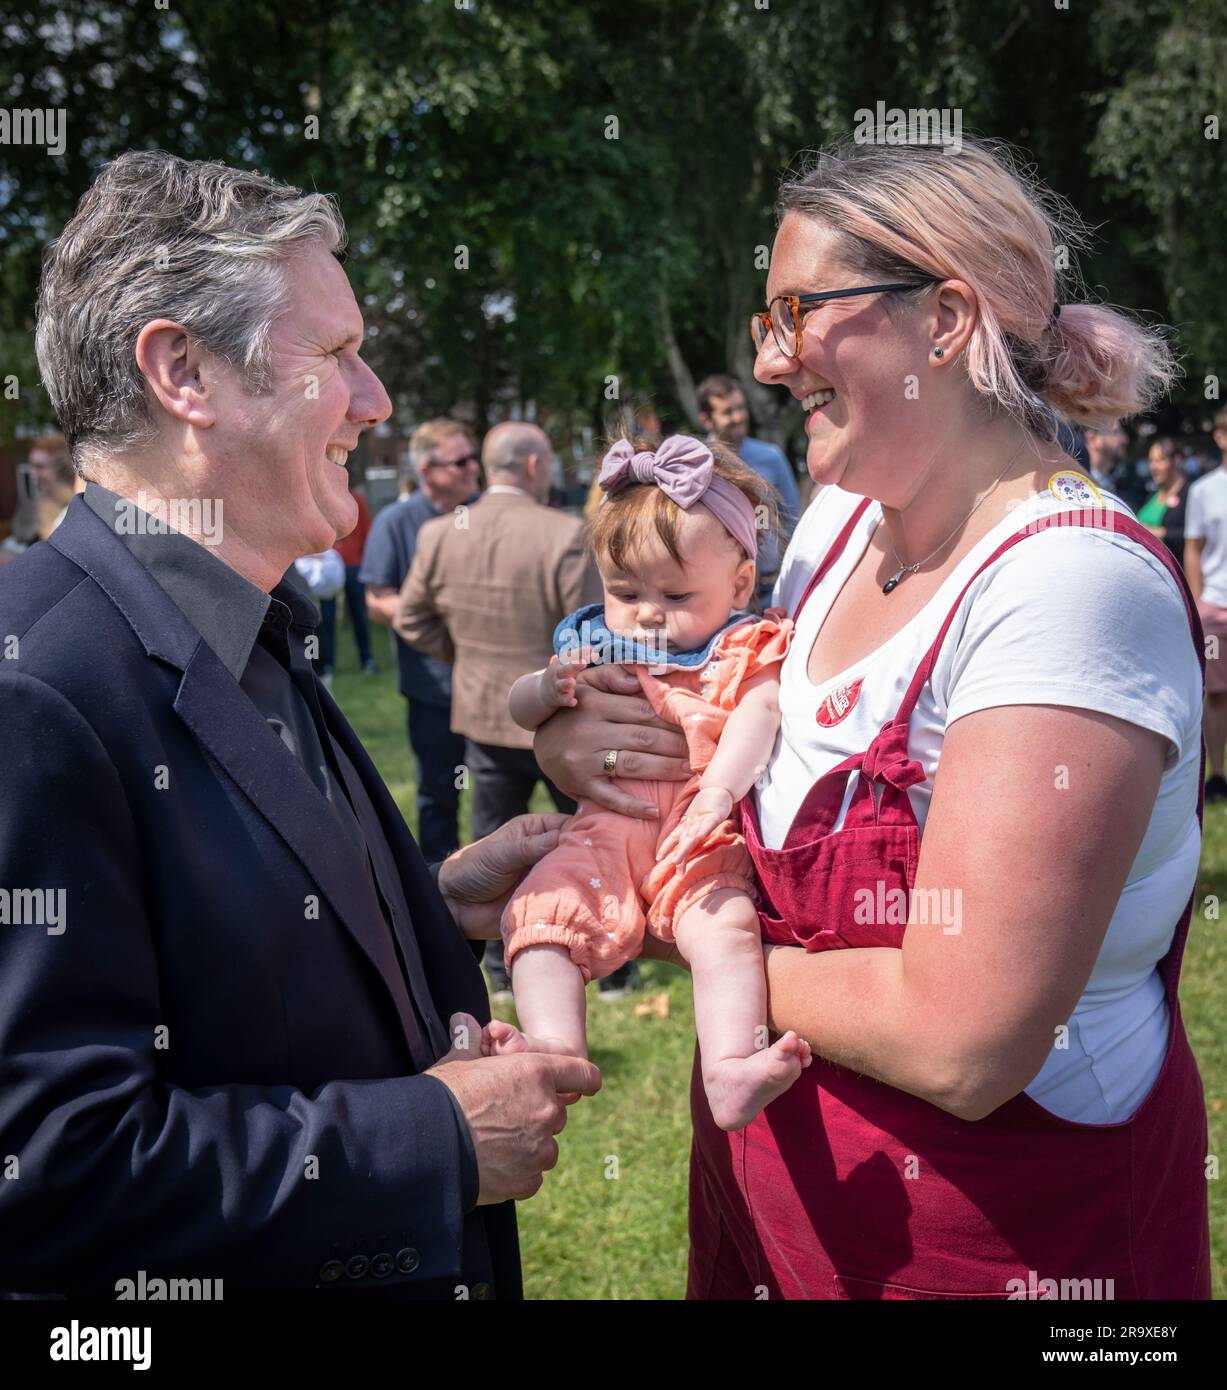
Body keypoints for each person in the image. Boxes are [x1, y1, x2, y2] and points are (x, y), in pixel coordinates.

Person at [533, 134, 1210, 1299]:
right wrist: (585, 739)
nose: (772, 359)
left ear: (944, 320)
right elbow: (727, 728)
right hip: (775, 1196)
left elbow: (965, 1037)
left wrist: (673, 922)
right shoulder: (840, 528)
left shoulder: (1065, 587)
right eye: (765, 322)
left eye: (796, 311)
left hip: (996, 1240)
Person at [0, 151, 599, 1299]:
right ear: (184, 371)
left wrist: (429, 909)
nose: (375, 400)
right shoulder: (37, 687)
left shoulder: (244, 614)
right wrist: (434, 1140)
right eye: (334, 355)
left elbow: (220, 962)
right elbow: (48, 1171)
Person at [489, 434, 810, 1130]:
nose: (648, 612)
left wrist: (720, 794)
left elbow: (761, 713)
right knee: (542, 915)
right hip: (604, 832)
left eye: (674, 593)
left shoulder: (743, 647)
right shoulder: (593, 644)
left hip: (696, 835)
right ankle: (553, 1047)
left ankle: (727, 1068)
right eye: (625, 591)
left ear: (739, 585)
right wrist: (545, 689)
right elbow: (519, 706)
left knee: (724, 932)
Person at [394, 422, 603, 1000]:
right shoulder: (565, 532)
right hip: (562, 717)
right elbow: (591, 633)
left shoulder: (440, 532)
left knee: (489, 841)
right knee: (586, 837)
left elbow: (410, 618)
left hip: (485, 712)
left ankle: (496, 968)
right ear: (535, 466)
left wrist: (468, 661)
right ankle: (608, 956)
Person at [360, 420, 481, 863]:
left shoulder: (486, 512)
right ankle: (442, 905)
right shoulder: (397, 521)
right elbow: (376, 601)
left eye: (474, 457)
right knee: (438, 799)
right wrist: (442, 627)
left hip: (494, 687)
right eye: (461, 461)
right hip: (434, 689)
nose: (474, 469)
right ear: (428, 471)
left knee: (501, 804)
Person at [697, 374, 801, 603]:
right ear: (706, 420)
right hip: (717, 597)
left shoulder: (771, 457)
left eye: (741, 408)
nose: (738, 417)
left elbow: (792, 518)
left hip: (769, 589)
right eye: (727, 412)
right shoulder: (694, 464)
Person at [1185, 404, 1227, 802]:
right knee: (1216, 694)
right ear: (1220, 437)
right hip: (1215, 603)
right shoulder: (1203, 490)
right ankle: (1217, 774)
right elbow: (1194, 549)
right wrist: (1197, 603)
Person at [321, 474, 375, 678]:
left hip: (353, 566)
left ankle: (367, 660)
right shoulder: (321, 499)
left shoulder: (356, 499)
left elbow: (366, 532)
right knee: (326, 618)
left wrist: (361, 561)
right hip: (328, 568)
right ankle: (327, 665)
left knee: (359, 615)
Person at [1137, 435, 1189, 564]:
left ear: (1176, 460)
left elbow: (1196, 535)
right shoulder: (1151, 495)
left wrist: (1161, 533)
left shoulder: (1190, 494)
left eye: (1160, 460)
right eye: (1151, 461)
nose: (1153, 467)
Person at [1084, 421, 1143, 509]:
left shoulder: (1126, 485)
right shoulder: (1074, 483)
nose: (1125, 440)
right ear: (1092, 439)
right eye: (1115, 433)